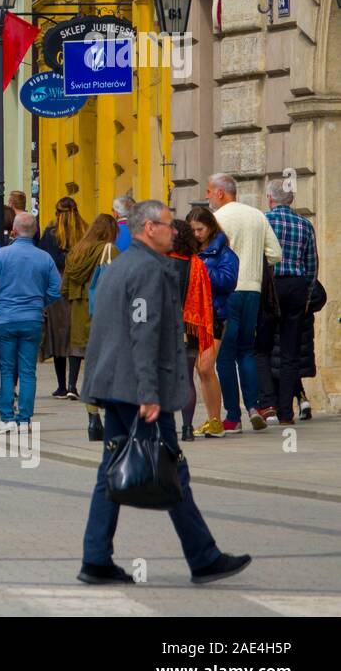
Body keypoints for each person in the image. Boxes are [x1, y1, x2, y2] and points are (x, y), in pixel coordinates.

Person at [78, 199, 251, 586]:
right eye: (169, 225)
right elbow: (143, 334)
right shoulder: (148, 271)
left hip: (114, 384)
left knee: (118, 468)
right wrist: (148, 392)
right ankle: (203, 558)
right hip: (136, 390)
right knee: (171, 469)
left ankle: (96, 558)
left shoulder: (120, 265)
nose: (176, 232)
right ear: (148, 228)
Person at [206, 172, 282, 433]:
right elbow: (275, 253)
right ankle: (253, 406)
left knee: (225, 356)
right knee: (247, 351)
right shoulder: (257, 215)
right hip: (253, 290)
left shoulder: (217, 219)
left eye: (209, 191)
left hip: (228, 291)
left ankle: (232, 416)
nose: (207, 196)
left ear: (220, 193)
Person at [0, 211, 62, 432]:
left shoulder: (1, 255)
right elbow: (56, 288)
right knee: (28, 371)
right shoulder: (44, 257)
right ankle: (24, 418)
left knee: (7, 369)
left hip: (5, 318)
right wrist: (41, 302)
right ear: (35, 231)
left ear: (14, 231)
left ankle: (6, 417)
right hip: (32, 318)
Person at [259, 178, 317, 424]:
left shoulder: (264, 221)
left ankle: (268, 404)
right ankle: (286, 413)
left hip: (270, 285)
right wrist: (308, 292)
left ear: (271, 199)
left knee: (260, 348)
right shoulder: (305, 224)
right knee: (290, 352)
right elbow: (312, 263)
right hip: (296, 286)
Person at [61, 214, 120, 440]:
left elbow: (64, 288)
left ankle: (93, 420)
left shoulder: (76, 250)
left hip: (79, 315)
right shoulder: (109, 251)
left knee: (91, 368)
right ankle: (112, 418)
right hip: (104, 315)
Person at [187, 206, 238, 438]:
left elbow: (228, 282)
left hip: (215, 314)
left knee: (206, 366)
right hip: (192, 316)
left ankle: (216, 420)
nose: (197, 234)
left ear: (210, 227)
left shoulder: (224, 254)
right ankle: (212, 419)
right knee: (200, 368)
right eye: (193, 230)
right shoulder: (189, 252)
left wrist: (202, 271)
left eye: (200, 229)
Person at [167, 219, 218, 442]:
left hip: (165, 330)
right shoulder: (197, 264)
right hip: (190, 329)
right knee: (187, 379)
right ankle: (187, 429)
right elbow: (206, 300)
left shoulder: (162, 262)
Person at [39, 197, 88, 400]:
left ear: (57, 213)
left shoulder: (50, 235)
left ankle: (61, 385)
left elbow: (42, 262)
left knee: (59, 336)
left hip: (57, 289)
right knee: (75, 335)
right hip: (80, 288)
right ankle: (72, 385)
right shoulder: (85, 233)